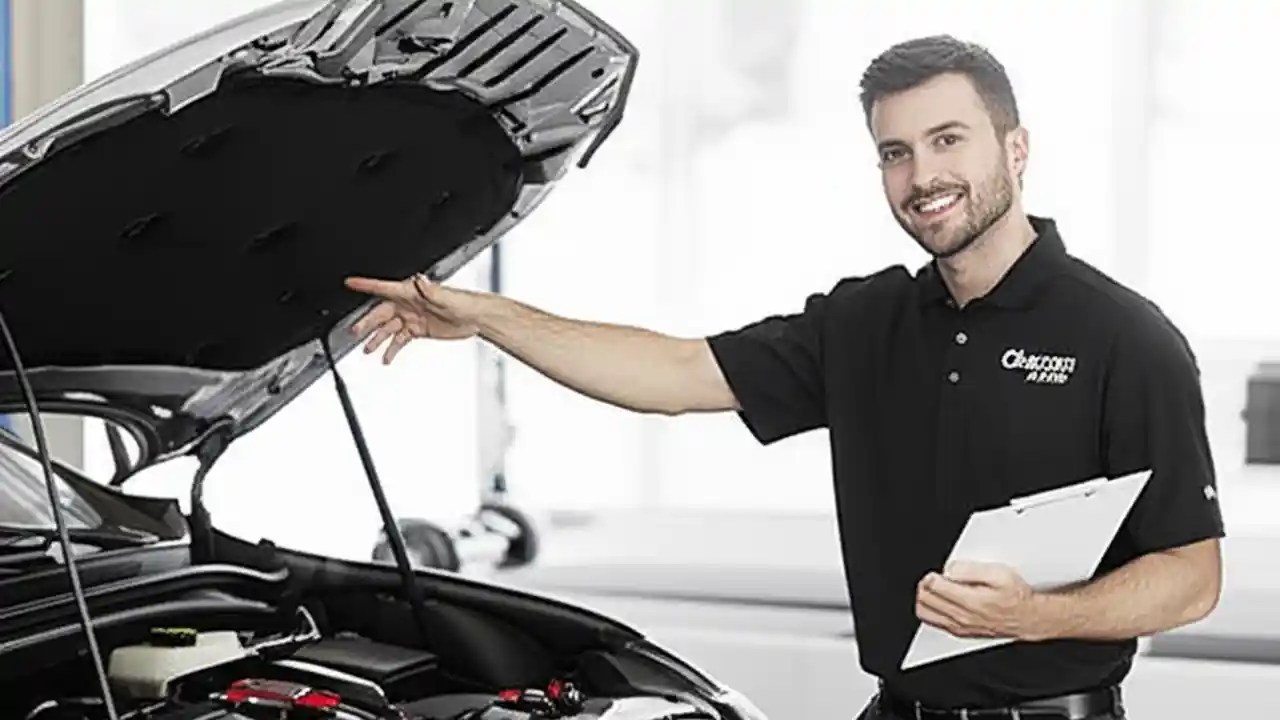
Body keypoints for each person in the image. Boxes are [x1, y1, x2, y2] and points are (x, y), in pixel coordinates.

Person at [345, 35, 1223, 720]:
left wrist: (1036, 615)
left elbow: (1192, 573)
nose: (922, 177)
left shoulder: (1126, 339)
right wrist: (489, 317)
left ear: (1016, 147)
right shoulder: (865, 321)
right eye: (895, 152)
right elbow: (673, 371)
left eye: (947, 140)